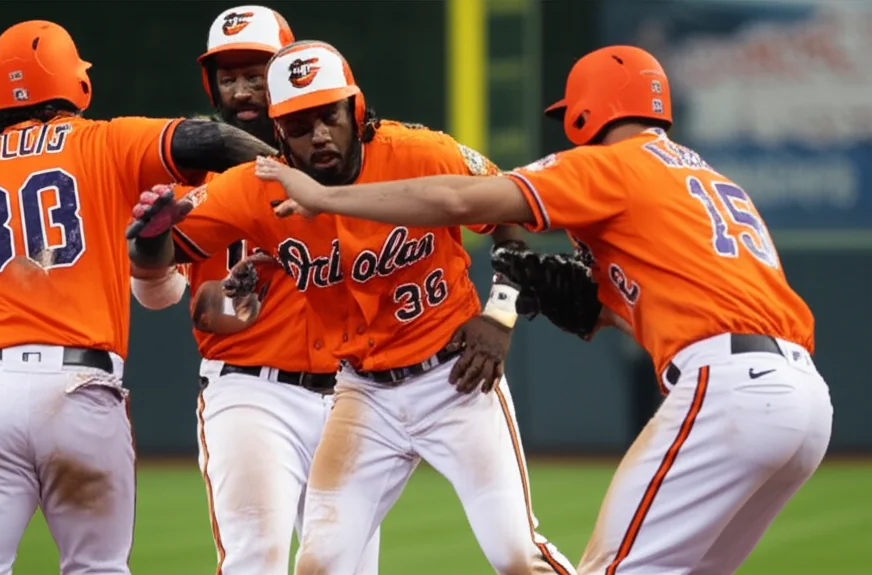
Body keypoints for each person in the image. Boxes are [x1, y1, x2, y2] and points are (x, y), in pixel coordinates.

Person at [254, 44, 833, 574]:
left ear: (589, 111)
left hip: (729, 389)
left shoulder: (611, 164)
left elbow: (459, 197)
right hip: (805, 402)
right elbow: (675, 300)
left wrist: (324, 197)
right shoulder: (705, 179)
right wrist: (595, 305)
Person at [126, 39, 575, 575]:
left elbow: (512, 213)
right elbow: (161, 248)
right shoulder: (256, 186)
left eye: (328, 116)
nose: (317, 136)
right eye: (297, 125)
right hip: (364, 396)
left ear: (355, 110)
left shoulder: (419, 152)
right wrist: (150, 232)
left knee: (517, 554)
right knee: (320, 567)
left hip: (454, 379)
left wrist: (500, 312)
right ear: (276, 131)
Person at [0, 20, 274, 575]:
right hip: (79, 390)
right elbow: (211, 140)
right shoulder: (104, 140)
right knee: (96, 567)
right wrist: (296, 175)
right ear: (75, 81)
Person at [129, 7, 382, 574]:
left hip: (352, 392)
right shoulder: (196, 176)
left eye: (256, 72)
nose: (242, 90)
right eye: (227, 76)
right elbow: (159, 293)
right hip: (252, 389)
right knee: (256, 561)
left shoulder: (341, 162)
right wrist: (157, 251)